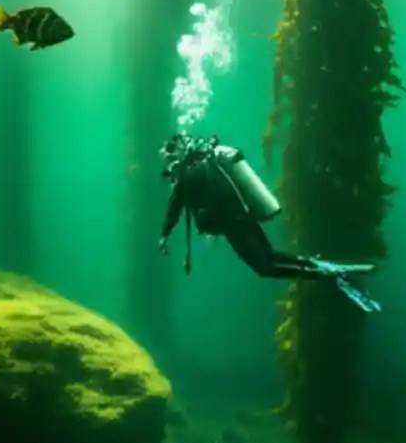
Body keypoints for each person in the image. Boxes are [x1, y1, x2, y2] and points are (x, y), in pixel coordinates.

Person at [156, 132, 381, 313]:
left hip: (233, 224)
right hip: (242, 216)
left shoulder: (187, 175)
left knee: (265, 267)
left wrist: (164, 235)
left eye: (169, 161)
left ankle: (327, 273)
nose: (169, 168)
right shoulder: (206, 164)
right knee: (270, 258)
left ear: (176, 156)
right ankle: (317, 265)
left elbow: (174, 207)